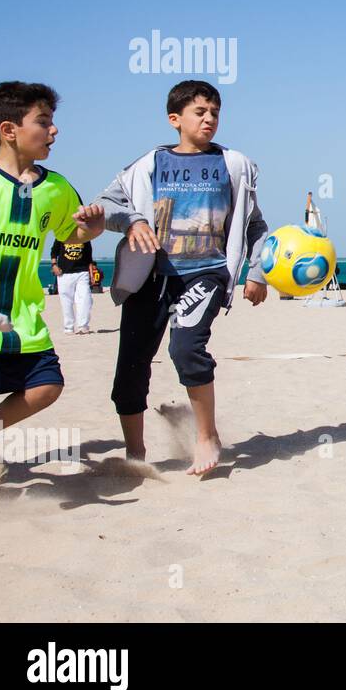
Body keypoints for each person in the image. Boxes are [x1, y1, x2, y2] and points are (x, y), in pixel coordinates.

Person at [95, 79, 268, 476]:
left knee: (186, 348)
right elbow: (108, 204)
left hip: (204, 274)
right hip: (150, 277)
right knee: (130, 369)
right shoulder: (149, 164)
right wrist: (133, 219)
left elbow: (254, 225)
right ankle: (135, 452)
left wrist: (256, 272)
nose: (209, 119)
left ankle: (207, 435)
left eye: (215, 113)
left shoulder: (233, 165)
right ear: (175, 119)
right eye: (200, 112)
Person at [0, 82, 105, 492]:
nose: (54, 131)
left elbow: (73, 234)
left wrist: (93, 230)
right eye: (44, 122)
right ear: (9, 130)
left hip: (23, 319)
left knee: (47, 385)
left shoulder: (56, 187)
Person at [51, 236, 94, 334]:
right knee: (66, 301)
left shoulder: (85, 234)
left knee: (85, 299)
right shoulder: (61, 234)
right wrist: (54, 265)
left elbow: (89, 257)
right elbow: (54, 252)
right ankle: (68, 327)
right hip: (64, 273)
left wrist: (91, 273)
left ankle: (83, 326)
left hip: (82, 272)